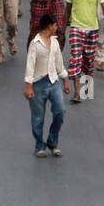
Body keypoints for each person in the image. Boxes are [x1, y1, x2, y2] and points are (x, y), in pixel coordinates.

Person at [25, 13, 70, 158]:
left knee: (60, 111)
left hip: (53, 81)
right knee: (38, 117)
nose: (57, 27)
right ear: (49, 26)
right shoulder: (35, 43)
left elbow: (59, 63)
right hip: (38, 83)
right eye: (55, 25)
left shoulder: (55, 42)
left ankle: (52, 141)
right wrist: (29, 86)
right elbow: (30, 65)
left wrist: (65, 81)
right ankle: (39, 145)